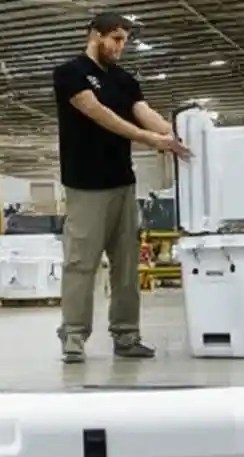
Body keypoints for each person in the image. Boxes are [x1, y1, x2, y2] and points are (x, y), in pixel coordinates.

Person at [53, 12, 190, 364]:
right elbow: (99, 114)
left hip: (123, 184)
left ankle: (127, 336)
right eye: (115, 39)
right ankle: (73, 336)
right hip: (85, 185)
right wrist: (150, 139)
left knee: (127, 265)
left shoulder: (124, 80)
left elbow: (144, 113)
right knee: (81, 264)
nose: (120, 47)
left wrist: (180, 134)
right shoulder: (69, 73)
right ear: (95, 35)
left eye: (124, 41)